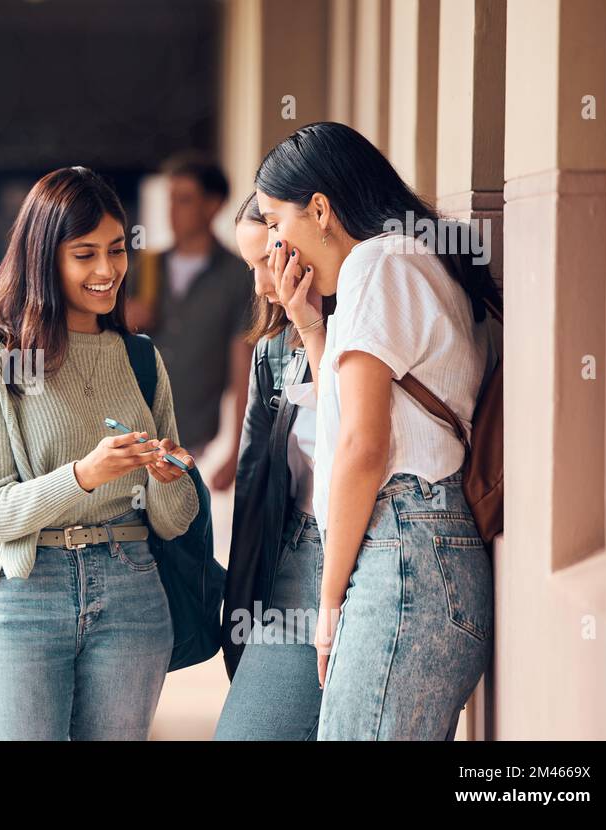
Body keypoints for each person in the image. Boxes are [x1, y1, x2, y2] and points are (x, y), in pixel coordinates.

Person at [255, 122, 502, 740]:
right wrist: (310, 324)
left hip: (401, 557)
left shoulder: (376, 265)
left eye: (275, 223)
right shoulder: (408, 261)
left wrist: (329, 603)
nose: (275, 248)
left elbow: (363, 448)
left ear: (320, 208)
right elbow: (346, 414)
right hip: (422, 553)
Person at [0, 166, 198, 740]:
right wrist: (84, 476)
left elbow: (177, 518)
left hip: (132, 588)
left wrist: (166, 477)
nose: (107, 270)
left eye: (117, 250)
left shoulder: (139, 357)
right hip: (24, 596)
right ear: (45, 259)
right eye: (84, 254)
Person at [214, 192, 327, 740]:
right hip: (300, 565)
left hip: (389, 560)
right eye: (250, 266)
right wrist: (243, 611)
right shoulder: (273, 350)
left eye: (267, 260)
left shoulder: (378, 315)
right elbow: (256, 491)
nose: (260, 285)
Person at [127, 153, 254, 490]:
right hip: (132, 434)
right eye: (170, 199)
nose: (172, 211)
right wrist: (126, 318)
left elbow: (244, 365)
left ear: (214, 206)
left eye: (184, 200)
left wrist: (236, 449)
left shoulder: (240, 277)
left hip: (197, 441)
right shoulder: (145, 268)